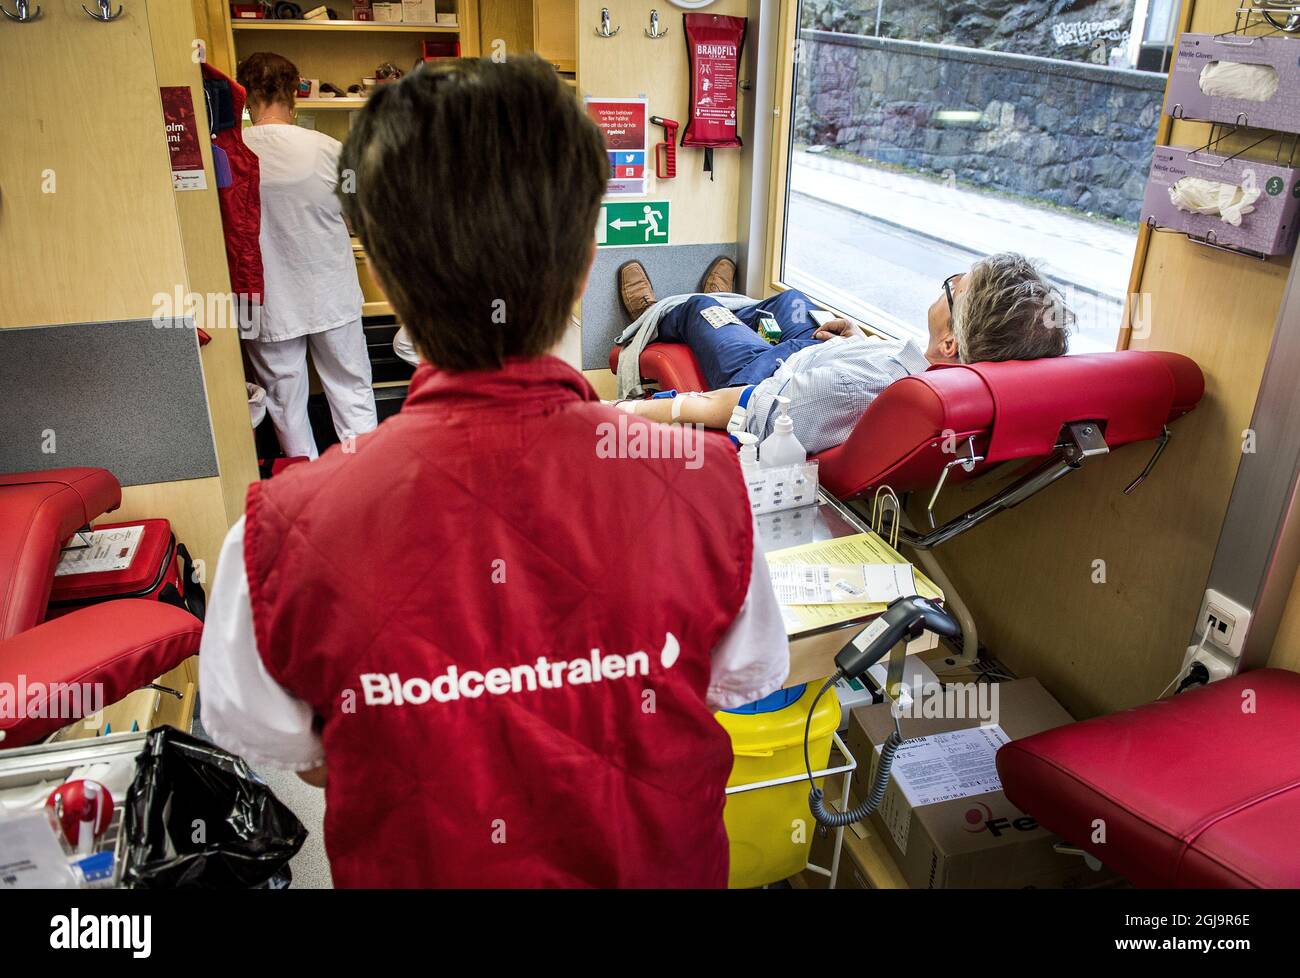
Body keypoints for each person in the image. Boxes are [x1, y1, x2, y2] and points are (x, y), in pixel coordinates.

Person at [198, 56, 789, 888]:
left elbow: (302, 755)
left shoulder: (272, 536)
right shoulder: (703, 483)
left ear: (384, 277)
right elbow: (737, 683)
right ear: (586, 266)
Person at [614, 253, 1074, 454]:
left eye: (956, 288)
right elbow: (864, 374)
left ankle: (657, 313)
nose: (950, 283)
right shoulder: (937, 375)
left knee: (701, 309)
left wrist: (627, 411)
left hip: (761, 375)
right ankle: (739, 316)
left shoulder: (855, 387)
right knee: (794, 301)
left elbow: (748, 408)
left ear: (951, 343)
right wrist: (855, 341)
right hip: (821, 357)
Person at [237, 52, 378, 460]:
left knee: (285, 405)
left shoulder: (229, 153)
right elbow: (361, 216)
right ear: (295, 93)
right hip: (329, 292)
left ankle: (308, 492)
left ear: (246, 97)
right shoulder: (328, 150)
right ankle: (365, 480)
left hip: (266, 303)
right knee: (351, 389)